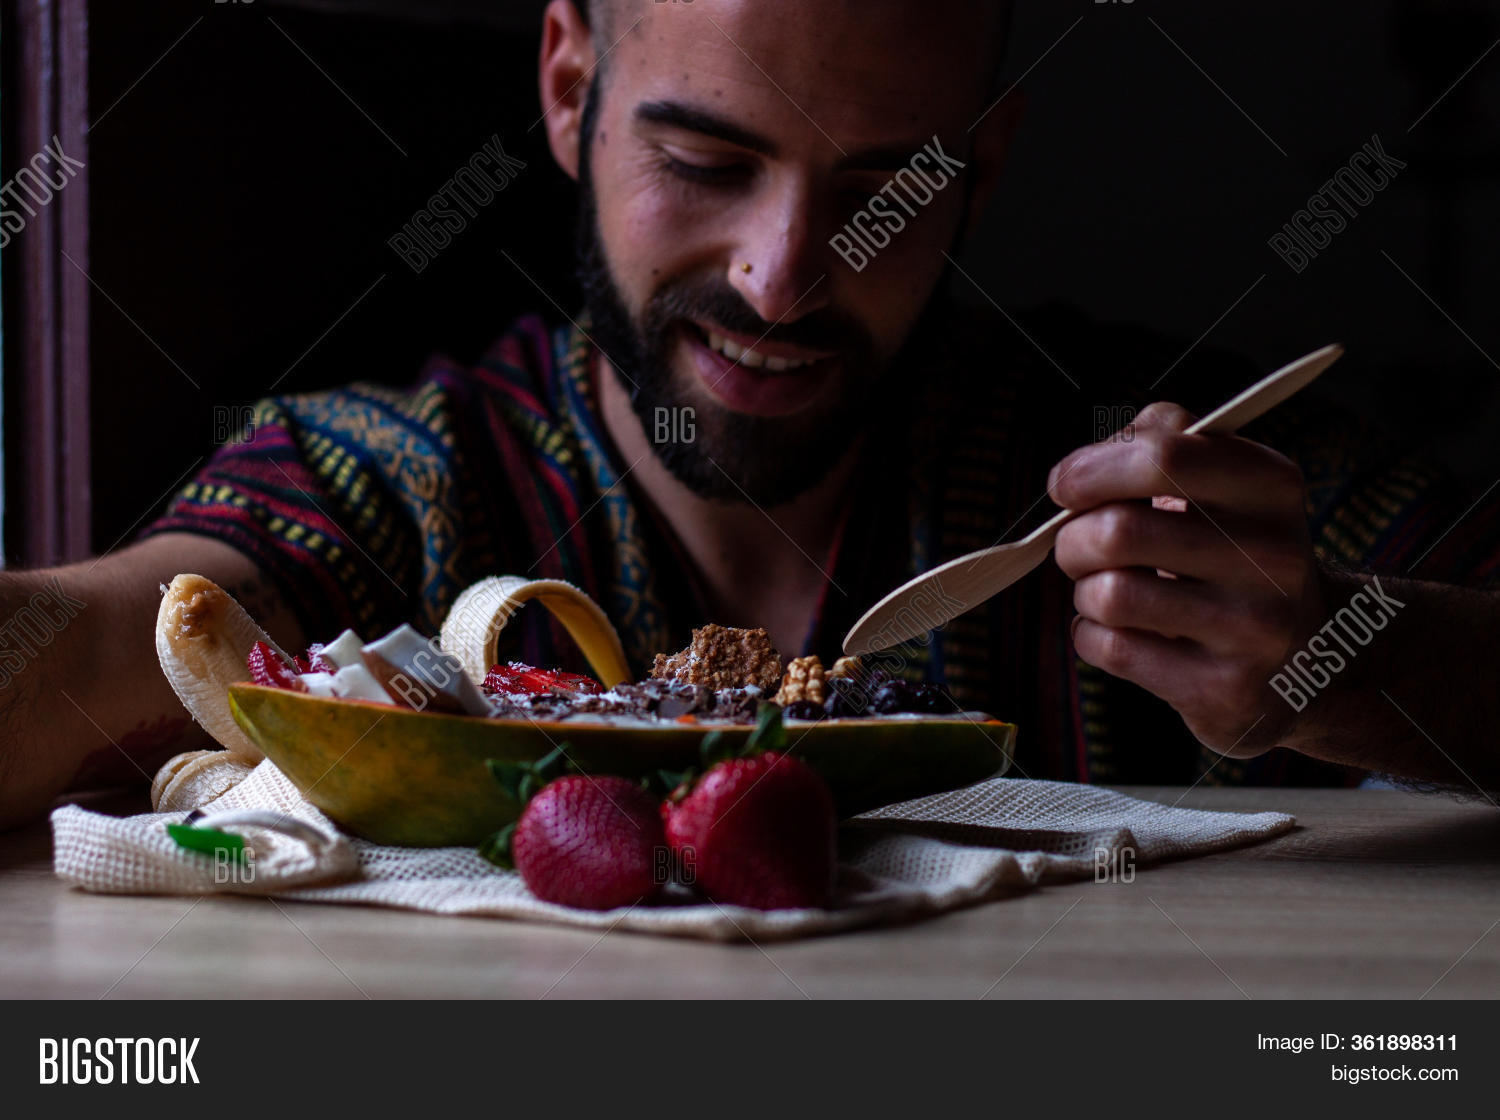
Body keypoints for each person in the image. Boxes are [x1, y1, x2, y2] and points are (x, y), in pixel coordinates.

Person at [2, 0, 1497, 828]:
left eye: (880, 191)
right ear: (571, 83)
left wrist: (1350, 658)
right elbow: (100, 644)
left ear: (981, 165)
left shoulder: (1160, 481)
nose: (785, 281)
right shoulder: (400, 482)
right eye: (707, 164)